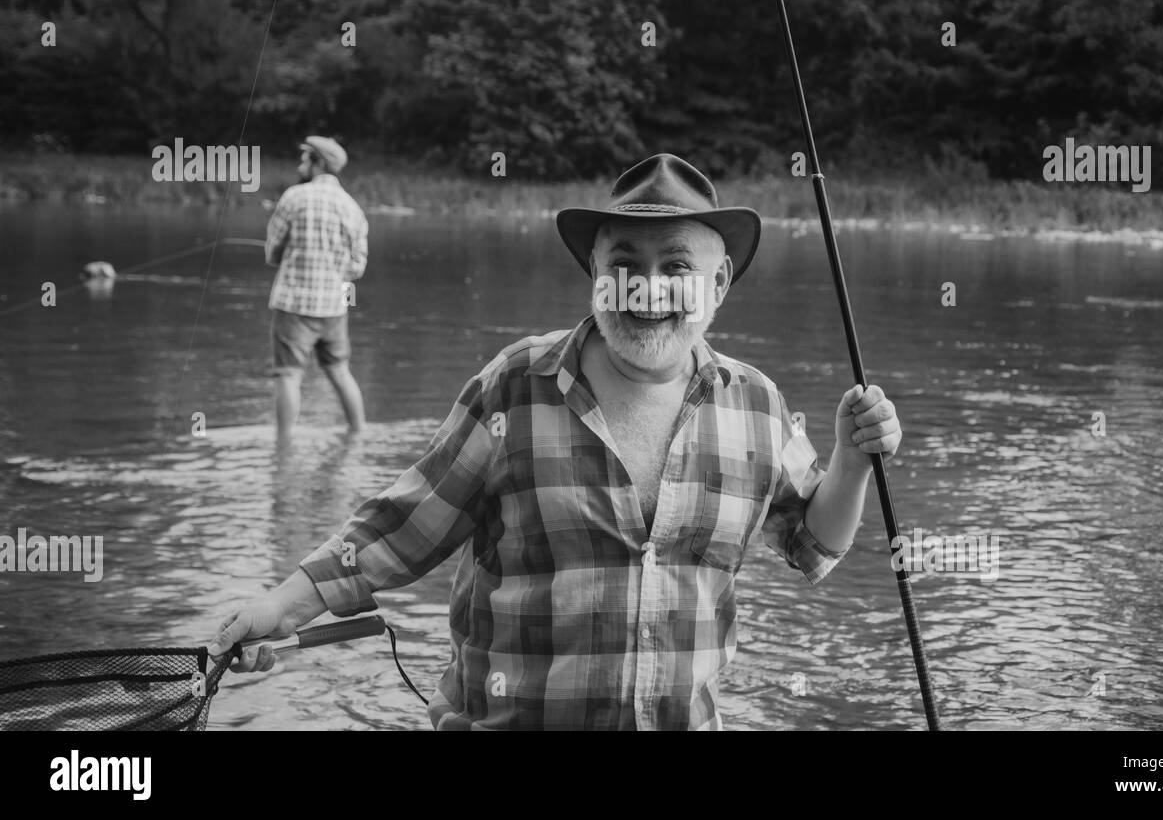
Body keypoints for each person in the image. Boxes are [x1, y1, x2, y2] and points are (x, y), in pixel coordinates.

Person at [212, 153, 902, 729]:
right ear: (596, 274)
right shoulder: (515, 384)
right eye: (625, 261)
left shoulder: (756, 404)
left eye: (676, 266)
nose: (647, 286)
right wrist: (278, 606)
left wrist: (851, 460)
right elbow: (400, 528)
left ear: (717, 283)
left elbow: (814, 544)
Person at [265, 136, 369, 439]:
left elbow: (272, 252)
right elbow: (358, 266)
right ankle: (359, 434)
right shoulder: (353, 208)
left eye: (304, 159)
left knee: (288, 375)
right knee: (339, 371)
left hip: (294, 305)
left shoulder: (294, 197)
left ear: (318, 163)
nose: (300, 165)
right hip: (335, 308)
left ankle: (282, 447)